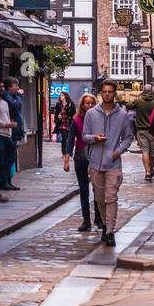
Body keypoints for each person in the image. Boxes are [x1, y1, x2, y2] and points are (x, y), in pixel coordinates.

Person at [82, 81, 135, 246]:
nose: (107, 94)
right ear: (100, 93)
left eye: (110, 92)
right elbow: (84, 136)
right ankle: (105, 225)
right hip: (95, 164)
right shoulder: (91, 114)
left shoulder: (122, 115)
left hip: (113, 164)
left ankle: (110, 231)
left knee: (111, 197)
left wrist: (117, 151)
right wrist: (94, 138)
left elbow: (128, 137)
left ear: (114, 94)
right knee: (100, 199)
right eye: (104, 92)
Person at [62, 93, 104, 232]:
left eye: (92, 103)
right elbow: (69, 140)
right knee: (84, 191)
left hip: (96, 158)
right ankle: (86, 221)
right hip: (81, 157)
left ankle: (99, 219)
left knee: (97, 190)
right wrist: (66, 160)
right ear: (82, 105)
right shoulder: (76, 121)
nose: (90, 105)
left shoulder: (99, 119)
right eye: (87, 103)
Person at [2, 77, 24, 190]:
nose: (18, 88)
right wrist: (19, 96)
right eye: (16, 86)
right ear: (9, 87)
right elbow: (16, 107)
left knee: (10, 158)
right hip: (9, 132)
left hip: (13, 132)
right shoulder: (6, 96)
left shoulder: (11, 96)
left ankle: (7, 181)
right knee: (8, 157)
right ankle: (4, 181)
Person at [133, 84, 154, 181]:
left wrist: (138, 98)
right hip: (153, 131)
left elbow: (128, 106)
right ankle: (151, 170)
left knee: (145, 151)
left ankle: (147, 172)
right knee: (153, 152)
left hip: (141, 130)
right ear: (152, 91)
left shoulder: (138, 101)